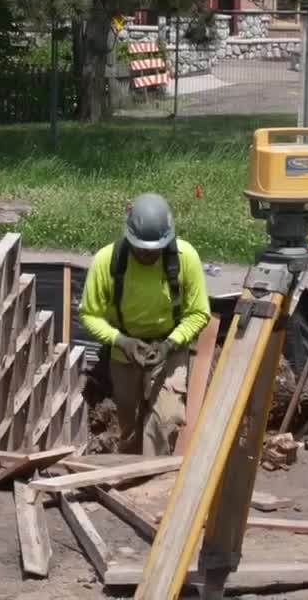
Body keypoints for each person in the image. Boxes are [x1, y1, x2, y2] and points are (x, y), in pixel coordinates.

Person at [79, 193, 211, 455]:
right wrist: (122, 342)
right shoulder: (108, 261)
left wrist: (167, 346)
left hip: (170, 347)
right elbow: (89, 314)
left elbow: (199, 313)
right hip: (124, 351)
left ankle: (153, 479)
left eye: (154, 250)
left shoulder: (185, 258)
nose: (148, 255)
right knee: (129, 424)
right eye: (141, 248)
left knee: (166, 421)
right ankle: (129, 472)